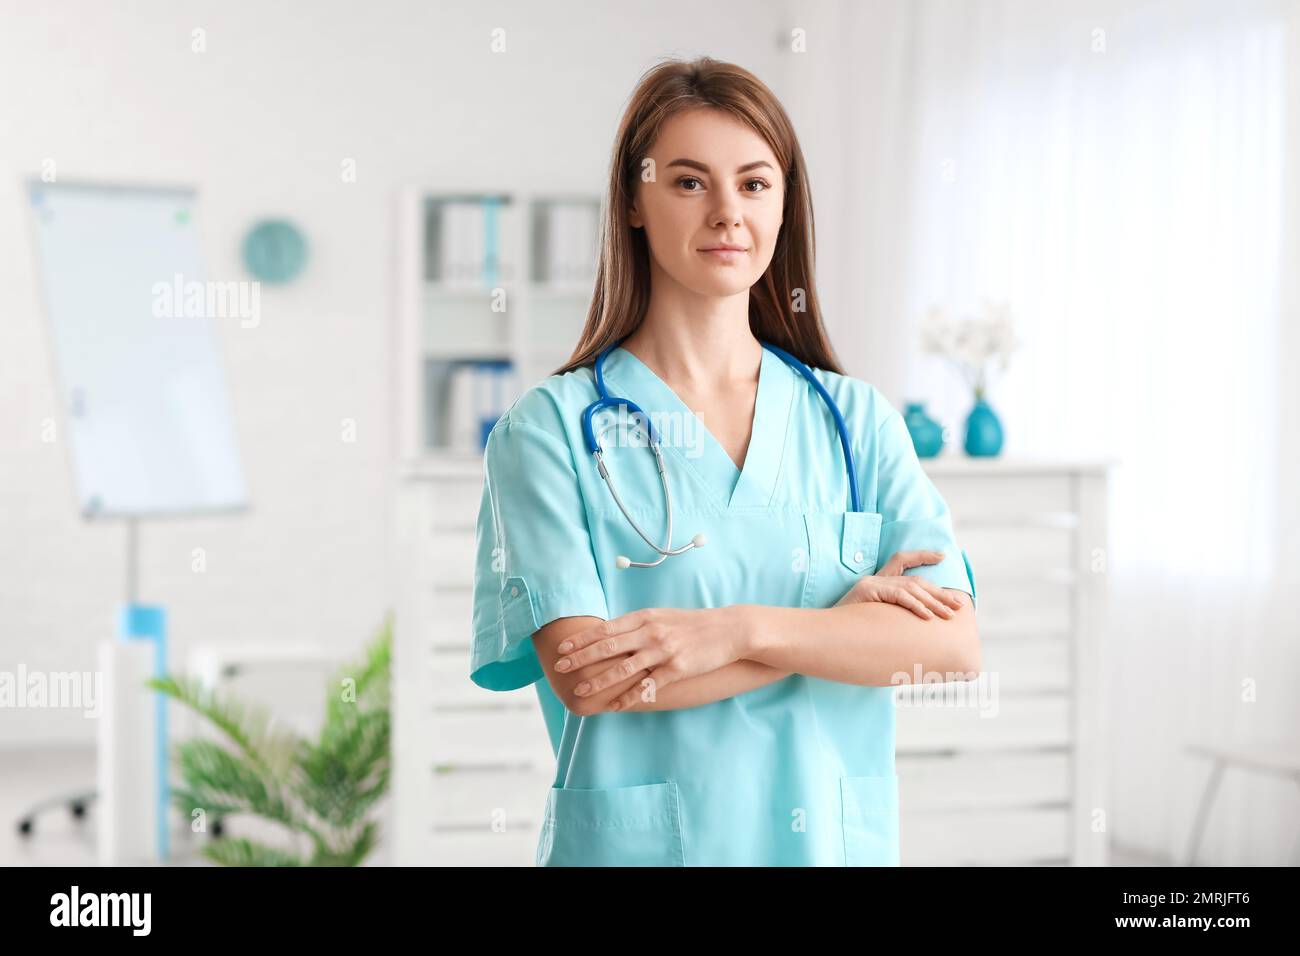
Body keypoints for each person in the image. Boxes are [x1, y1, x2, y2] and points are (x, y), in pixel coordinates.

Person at [470, 56, 979, 866]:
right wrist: (838, 627)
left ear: (783, 205)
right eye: (687, 182)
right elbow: (592, 679)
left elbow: (950, 650)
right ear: (634, 202)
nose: (726, 214)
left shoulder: (857, 422)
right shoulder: (549, 432)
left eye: (753, 184)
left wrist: (736, 630)